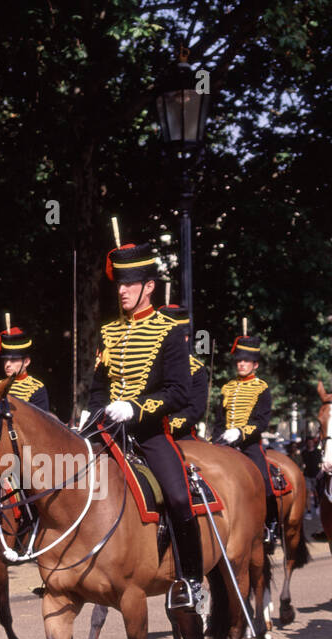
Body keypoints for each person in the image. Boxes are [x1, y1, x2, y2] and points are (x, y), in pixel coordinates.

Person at [88, 241, 199, 609]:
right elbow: (97, 388)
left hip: (148, 432)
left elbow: (179, 392)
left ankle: (191, 579)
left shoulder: (168, 333)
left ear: (148, 286)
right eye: (118, 283)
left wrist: (135, 409)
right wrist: (93, 418)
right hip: (107, 431)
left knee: (180, 497)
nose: (121, 290)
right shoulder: (107, 333)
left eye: (129, 283)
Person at [216, 334, 280, 547]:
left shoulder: (261, 388)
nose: (241, 365)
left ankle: (271, 524)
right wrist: (214, 440)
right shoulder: (227, 388)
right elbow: (218, 419)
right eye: (239, 361)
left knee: (264, 480)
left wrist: (241, 433)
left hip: (249, 443)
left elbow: (261, 421)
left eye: (246, 362)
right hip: (226, 443)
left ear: (255, 365)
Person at [161, 303, 208, 441]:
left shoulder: (196, 369)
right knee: (104, 456)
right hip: (143, 429)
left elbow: (195, 409)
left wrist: (169, 425)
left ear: (185, 338)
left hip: (180, 434)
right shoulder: (147, 366)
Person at [0, 325, 51, 412]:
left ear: (26, 362)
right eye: (5, 360)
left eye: (13, 360)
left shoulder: (36, 388)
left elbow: (40, 423)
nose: (7, 364)